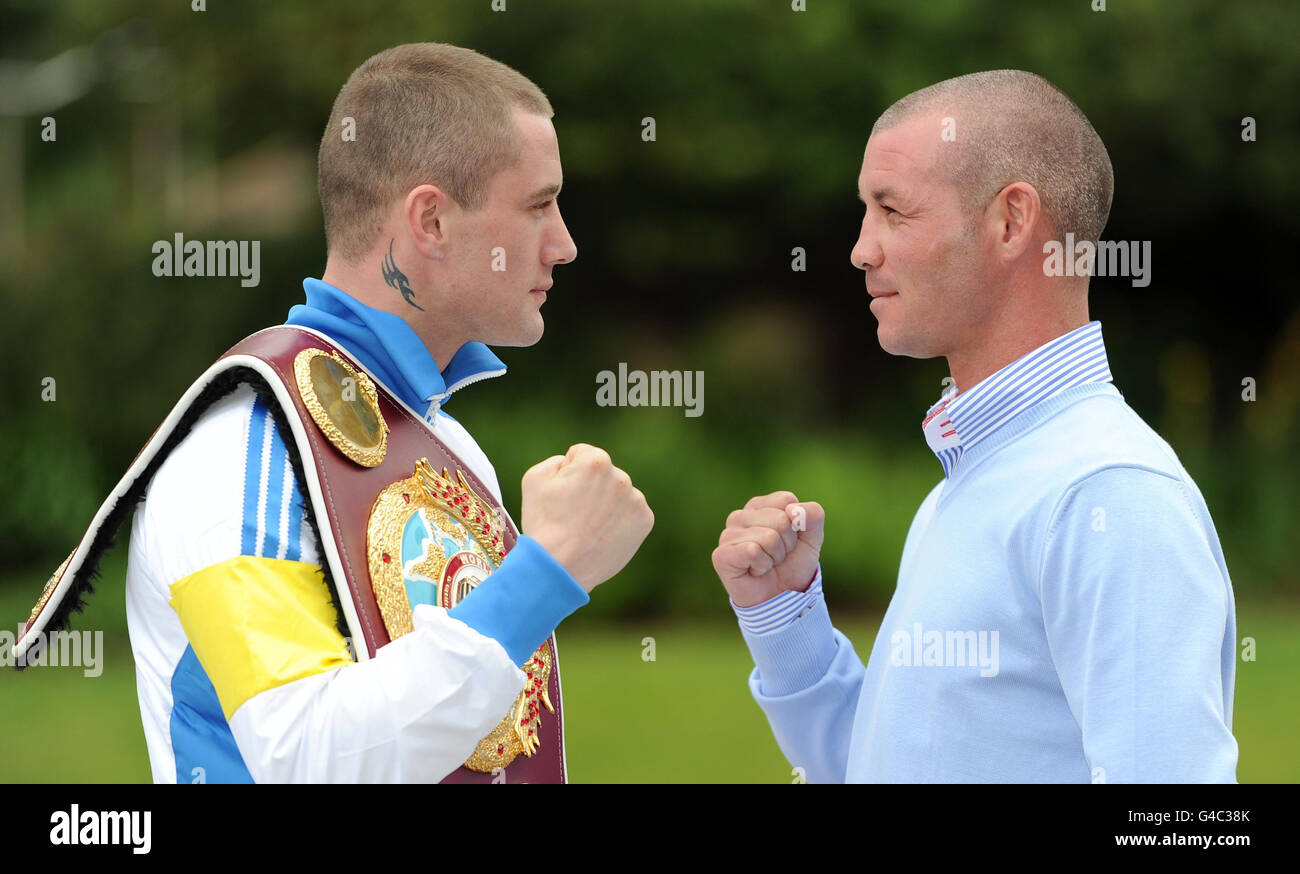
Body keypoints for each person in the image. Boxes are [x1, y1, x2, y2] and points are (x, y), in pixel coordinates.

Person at [119, 43, 654, 782]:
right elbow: (308, 758)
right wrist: (546, 573)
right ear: (430, 222)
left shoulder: (445, 440)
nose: (564, 244)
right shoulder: (247, 445)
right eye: (538, 205)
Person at [711, 70, 1238, 783]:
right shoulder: (981, 478)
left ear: (1012, 221)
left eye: (892, 210)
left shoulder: (1108, 494)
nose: (862, 250)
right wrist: (785, 619)